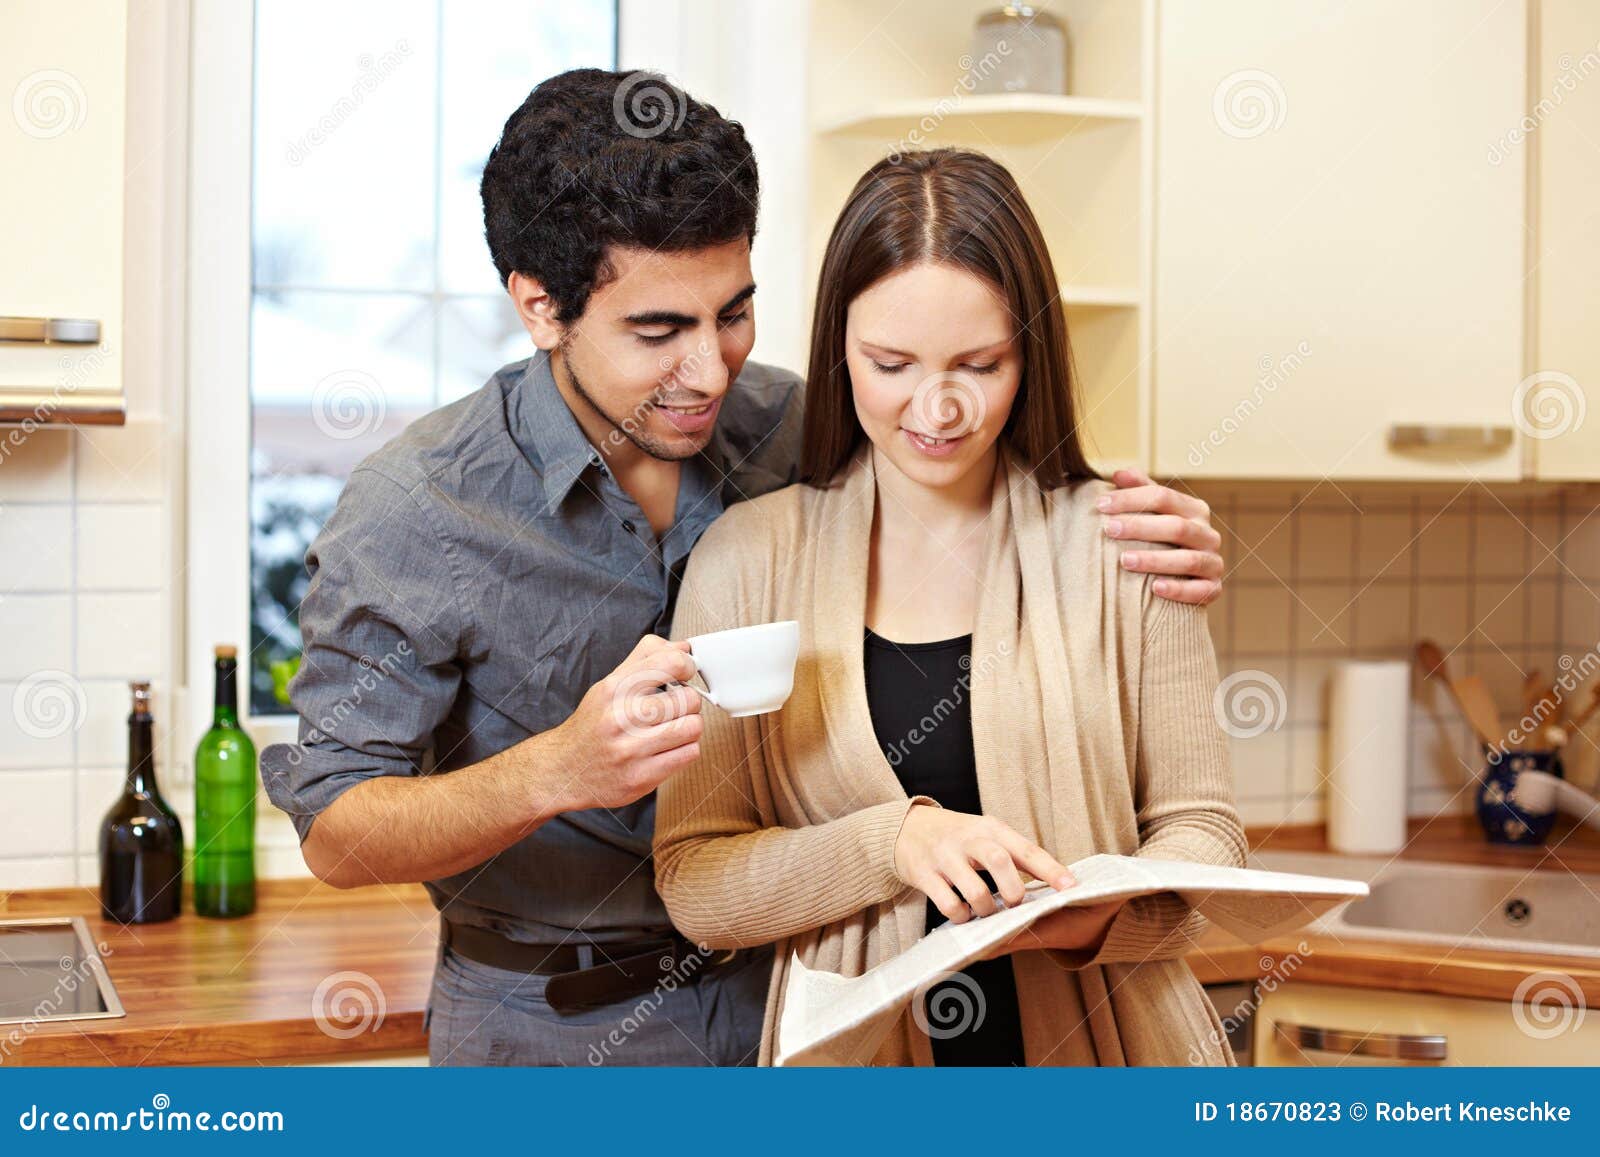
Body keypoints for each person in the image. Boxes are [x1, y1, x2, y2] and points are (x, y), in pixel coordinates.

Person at [260, 71, 1226, 1068]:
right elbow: (338, 831)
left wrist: (1145, 525)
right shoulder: (422, 508)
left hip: (802, 994)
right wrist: (560, 768)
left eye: (732, 312)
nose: (712, 371)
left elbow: (962, 443)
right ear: (541, 307)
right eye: (658, 331)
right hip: (552, 1015)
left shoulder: (795, 427)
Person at [653, 148, 1247, 1067]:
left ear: (1031, 352)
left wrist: (1103, 916)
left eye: (980, 363)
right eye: (891, 363)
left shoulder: (1128, 542)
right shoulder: (749, 558)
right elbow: (696, 879)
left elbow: (1205, 832)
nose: (937, 408)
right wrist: (896, 842)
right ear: (837, 350)